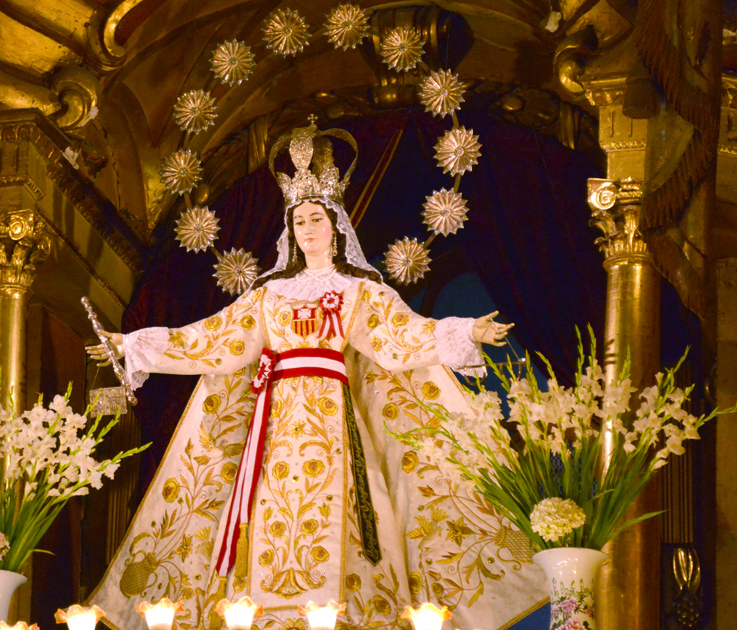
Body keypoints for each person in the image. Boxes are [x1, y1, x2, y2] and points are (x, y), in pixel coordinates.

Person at [87, 121, 544, 630]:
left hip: (337, 428)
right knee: (268, 511)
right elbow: (212, 340)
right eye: (298, 220)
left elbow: (401, 337)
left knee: (349, 513)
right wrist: (133, 345)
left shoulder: (358, 290)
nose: (307, 229)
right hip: (274, 429)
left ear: (335, 224)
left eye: (316, 219)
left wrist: (466, 331)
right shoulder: (267, 295)